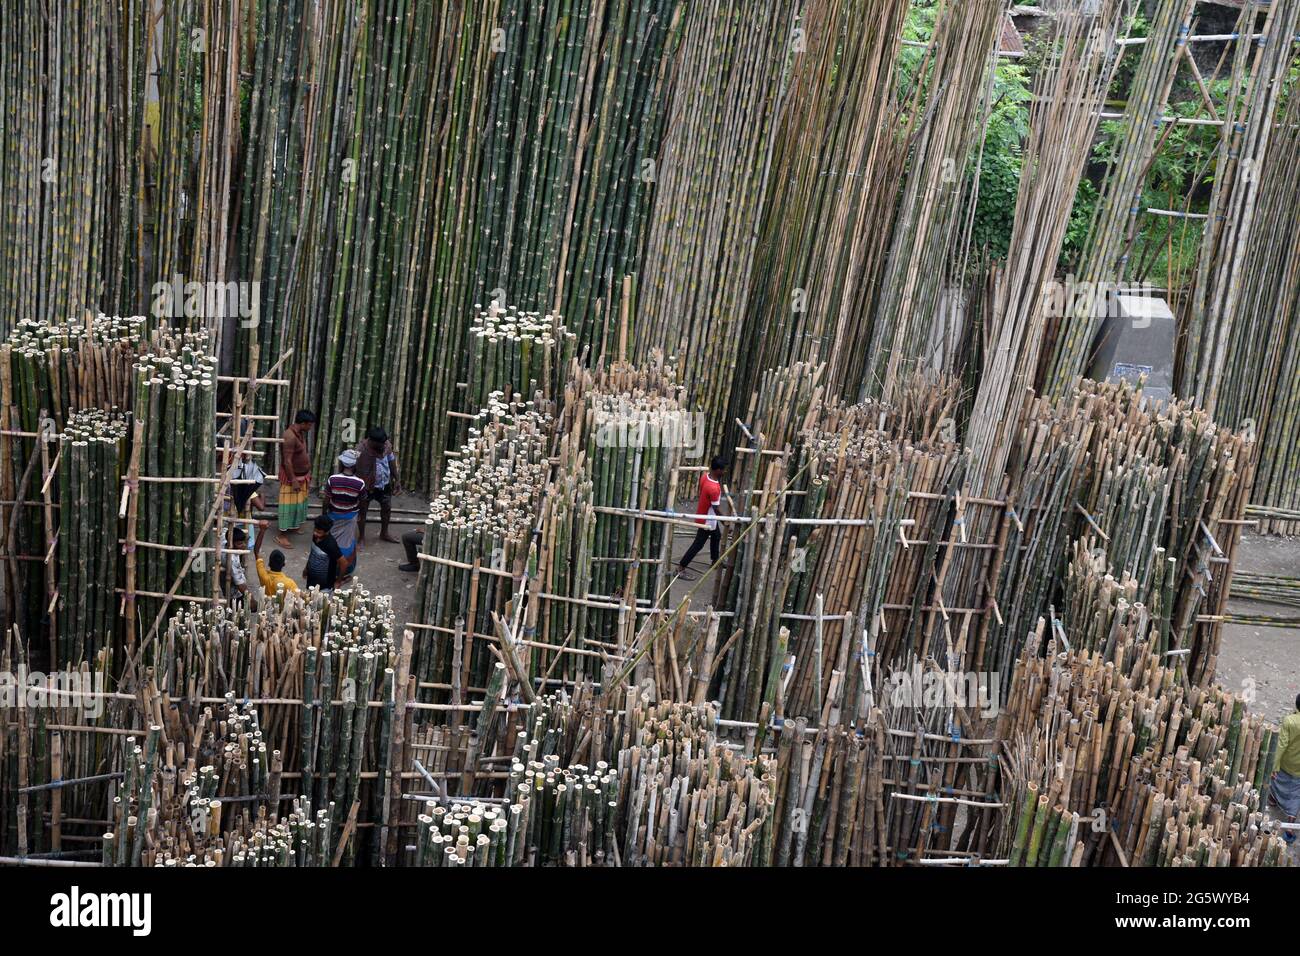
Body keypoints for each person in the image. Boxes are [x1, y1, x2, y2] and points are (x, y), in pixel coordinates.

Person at [677, 456, 730, 575]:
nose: (725, 471)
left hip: (703, 514)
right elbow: (716, 509)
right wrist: (725, 521)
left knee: (716, 536)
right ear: (718, 470)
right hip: (707, 520)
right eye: (724, 469)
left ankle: (715, 560)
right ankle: (681, 567)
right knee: (698, 544)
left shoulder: (705, 476)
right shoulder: (714, 488)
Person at [323, 449, 366, 578]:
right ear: (354, 466)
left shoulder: (332, 479)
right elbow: (362, 502)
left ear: (342, 464)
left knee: (331, 542)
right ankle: (345, 572)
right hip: (350, 516)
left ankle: (328, 569)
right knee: (347, 545)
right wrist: (360, 515)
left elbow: (326, 501)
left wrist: (324, 515)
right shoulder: (360, 483)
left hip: (333, 515)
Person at [277, 410, 316, 549]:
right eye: (309, 425)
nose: (310, 428)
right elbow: (287, 461)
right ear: (303, 423)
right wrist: (293, 480)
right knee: (287, 507)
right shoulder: (290, 436)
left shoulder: (300, 433)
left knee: (298, 504)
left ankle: (293, 526)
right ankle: (281, 535)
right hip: (292, 477)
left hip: (302, 476)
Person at [355, 426, 400, 545]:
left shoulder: (386, 446)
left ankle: (384, 533)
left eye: (384, 443)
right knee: (362, 511)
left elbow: (391, 462)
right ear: (372, 441)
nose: (383, 446)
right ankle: (361, 537)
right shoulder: (361, 449)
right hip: (365, 485)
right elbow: (353, 466)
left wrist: (397, 480)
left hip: (384, 484)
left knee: (386, 508)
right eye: (380, 444)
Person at [227, 422, 267, 543]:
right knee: (243, 545)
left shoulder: (225, 479)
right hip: (242, 521)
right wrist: (262, 495)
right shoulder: (245, 485)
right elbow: (261, 507)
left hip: (227, 520)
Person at [1270, 694, 1300, 841]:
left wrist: (1275, 766)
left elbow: (1282, 745)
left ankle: (1272, 800)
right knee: (1296, 794)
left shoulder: (1289, 721)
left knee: (1276, 782)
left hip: (1287, 762)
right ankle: (1289, 827)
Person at [252, 516, 298, 596]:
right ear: (283, 564)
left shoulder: (264, 576)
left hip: (265, 607)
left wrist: (262, 530)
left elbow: (256, 551)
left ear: (269, 563)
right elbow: (298, 597)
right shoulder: (289, 583)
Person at [304, 514, 345, 590]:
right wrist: (306, 568)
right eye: (315, 530)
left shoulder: (331, 545)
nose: (315, 533)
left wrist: (338, 581)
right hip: (312, 579)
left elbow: (344, 563)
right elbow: (312, 553)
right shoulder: (315, 537)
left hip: (325, 585)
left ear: (327, 532)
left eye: (319, 532)